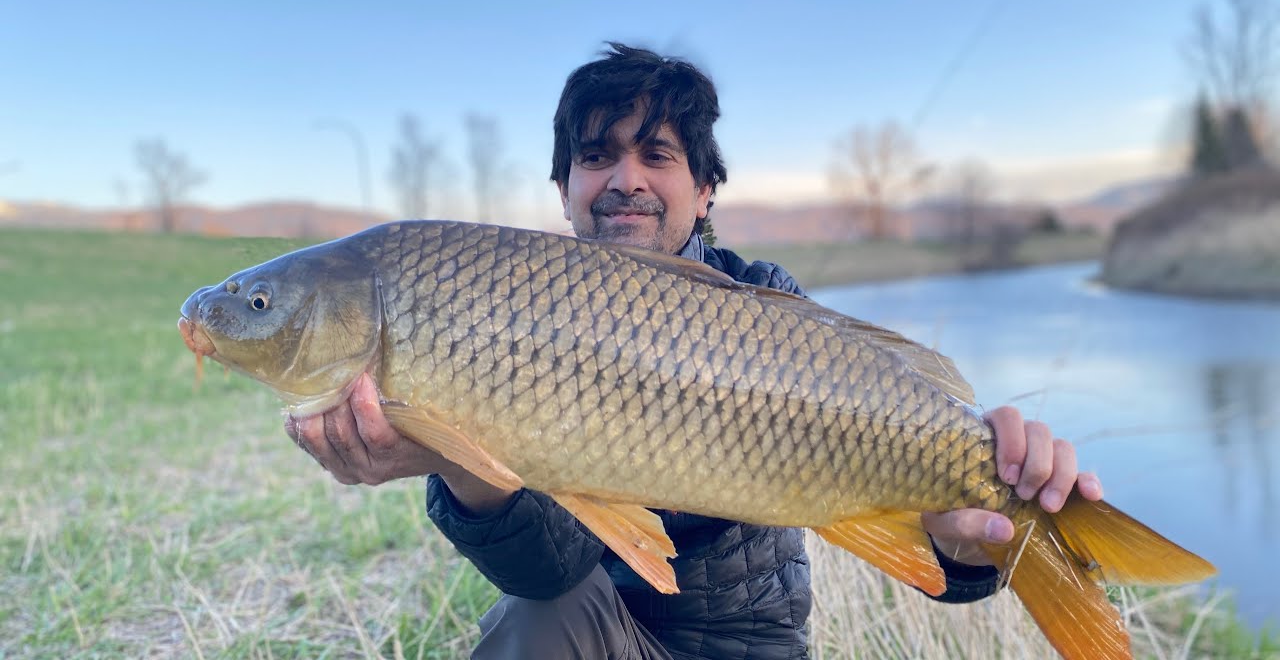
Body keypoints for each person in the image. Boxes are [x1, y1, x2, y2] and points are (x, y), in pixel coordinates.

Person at [285, 43, 1104, 659]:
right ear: (565, 188)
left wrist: (970, 545)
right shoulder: (517, 314)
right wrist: (459, 467)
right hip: (603, 634)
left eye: (658, 155)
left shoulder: (770, 305)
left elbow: (910, 510)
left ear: (705, 190)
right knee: (529, 621)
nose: (625, 179)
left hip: (748, 649)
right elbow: (547, 575)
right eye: (596, 156)